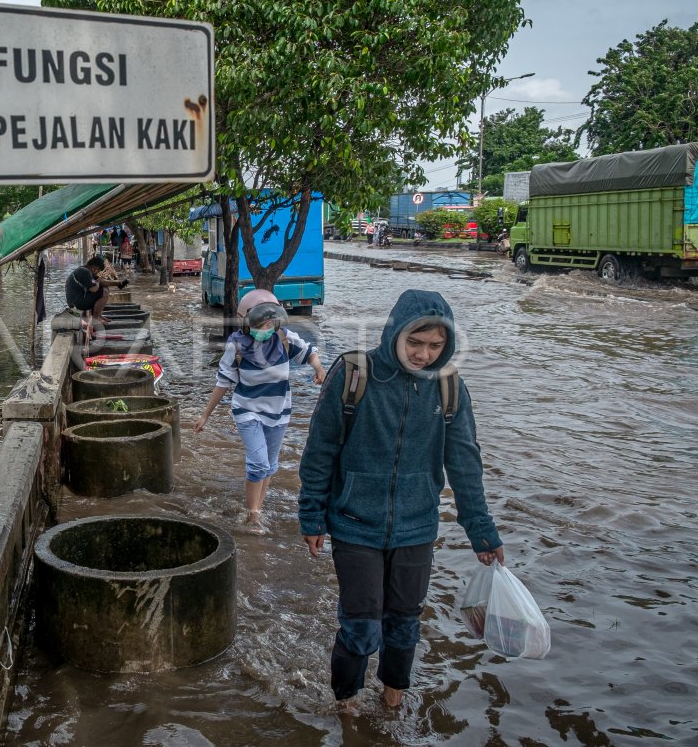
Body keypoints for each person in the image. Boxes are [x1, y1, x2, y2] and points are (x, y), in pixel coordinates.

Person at [297, 289, 504, 713]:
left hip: (418, 524)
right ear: (395, 333)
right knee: (360, 624)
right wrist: (312, 515)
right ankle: (347, 707)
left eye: (435, 346)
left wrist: (481, 530)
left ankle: (393, 702)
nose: (424, 354)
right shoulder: (354, 373)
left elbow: (465, 462)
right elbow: (320, 449)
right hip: (354, 522)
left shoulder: (449, 388)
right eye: (415, 342)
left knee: (406, 621)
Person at [193, 289, 326, 530]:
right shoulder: (237, 347)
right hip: (248, 411)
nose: (265, 328)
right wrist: (205, 415)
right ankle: (253, 515)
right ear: (246, 322)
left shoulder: (285, 339)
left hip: (279, 412)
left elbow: (309, 352)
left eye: (270, 323)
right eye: (260, 324)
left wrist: (319, 368)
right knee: (258, 463)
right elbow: (223, 382)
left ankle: (259, 506)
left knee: (270, 464)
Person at [64, 254, 126, 326]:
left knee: (105, 287)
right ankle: (95, 318)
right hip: (76, 303)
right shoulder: (85, 272)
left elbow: (102, 281)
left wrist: (119, 283)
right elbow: (94, 289)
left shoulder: (85, 269)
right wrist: (99, 282)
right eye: (98, 270)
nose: (98, 272)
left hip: (75, 301)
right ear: (94, 267)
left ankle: (98, 315)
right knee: (104, 291)